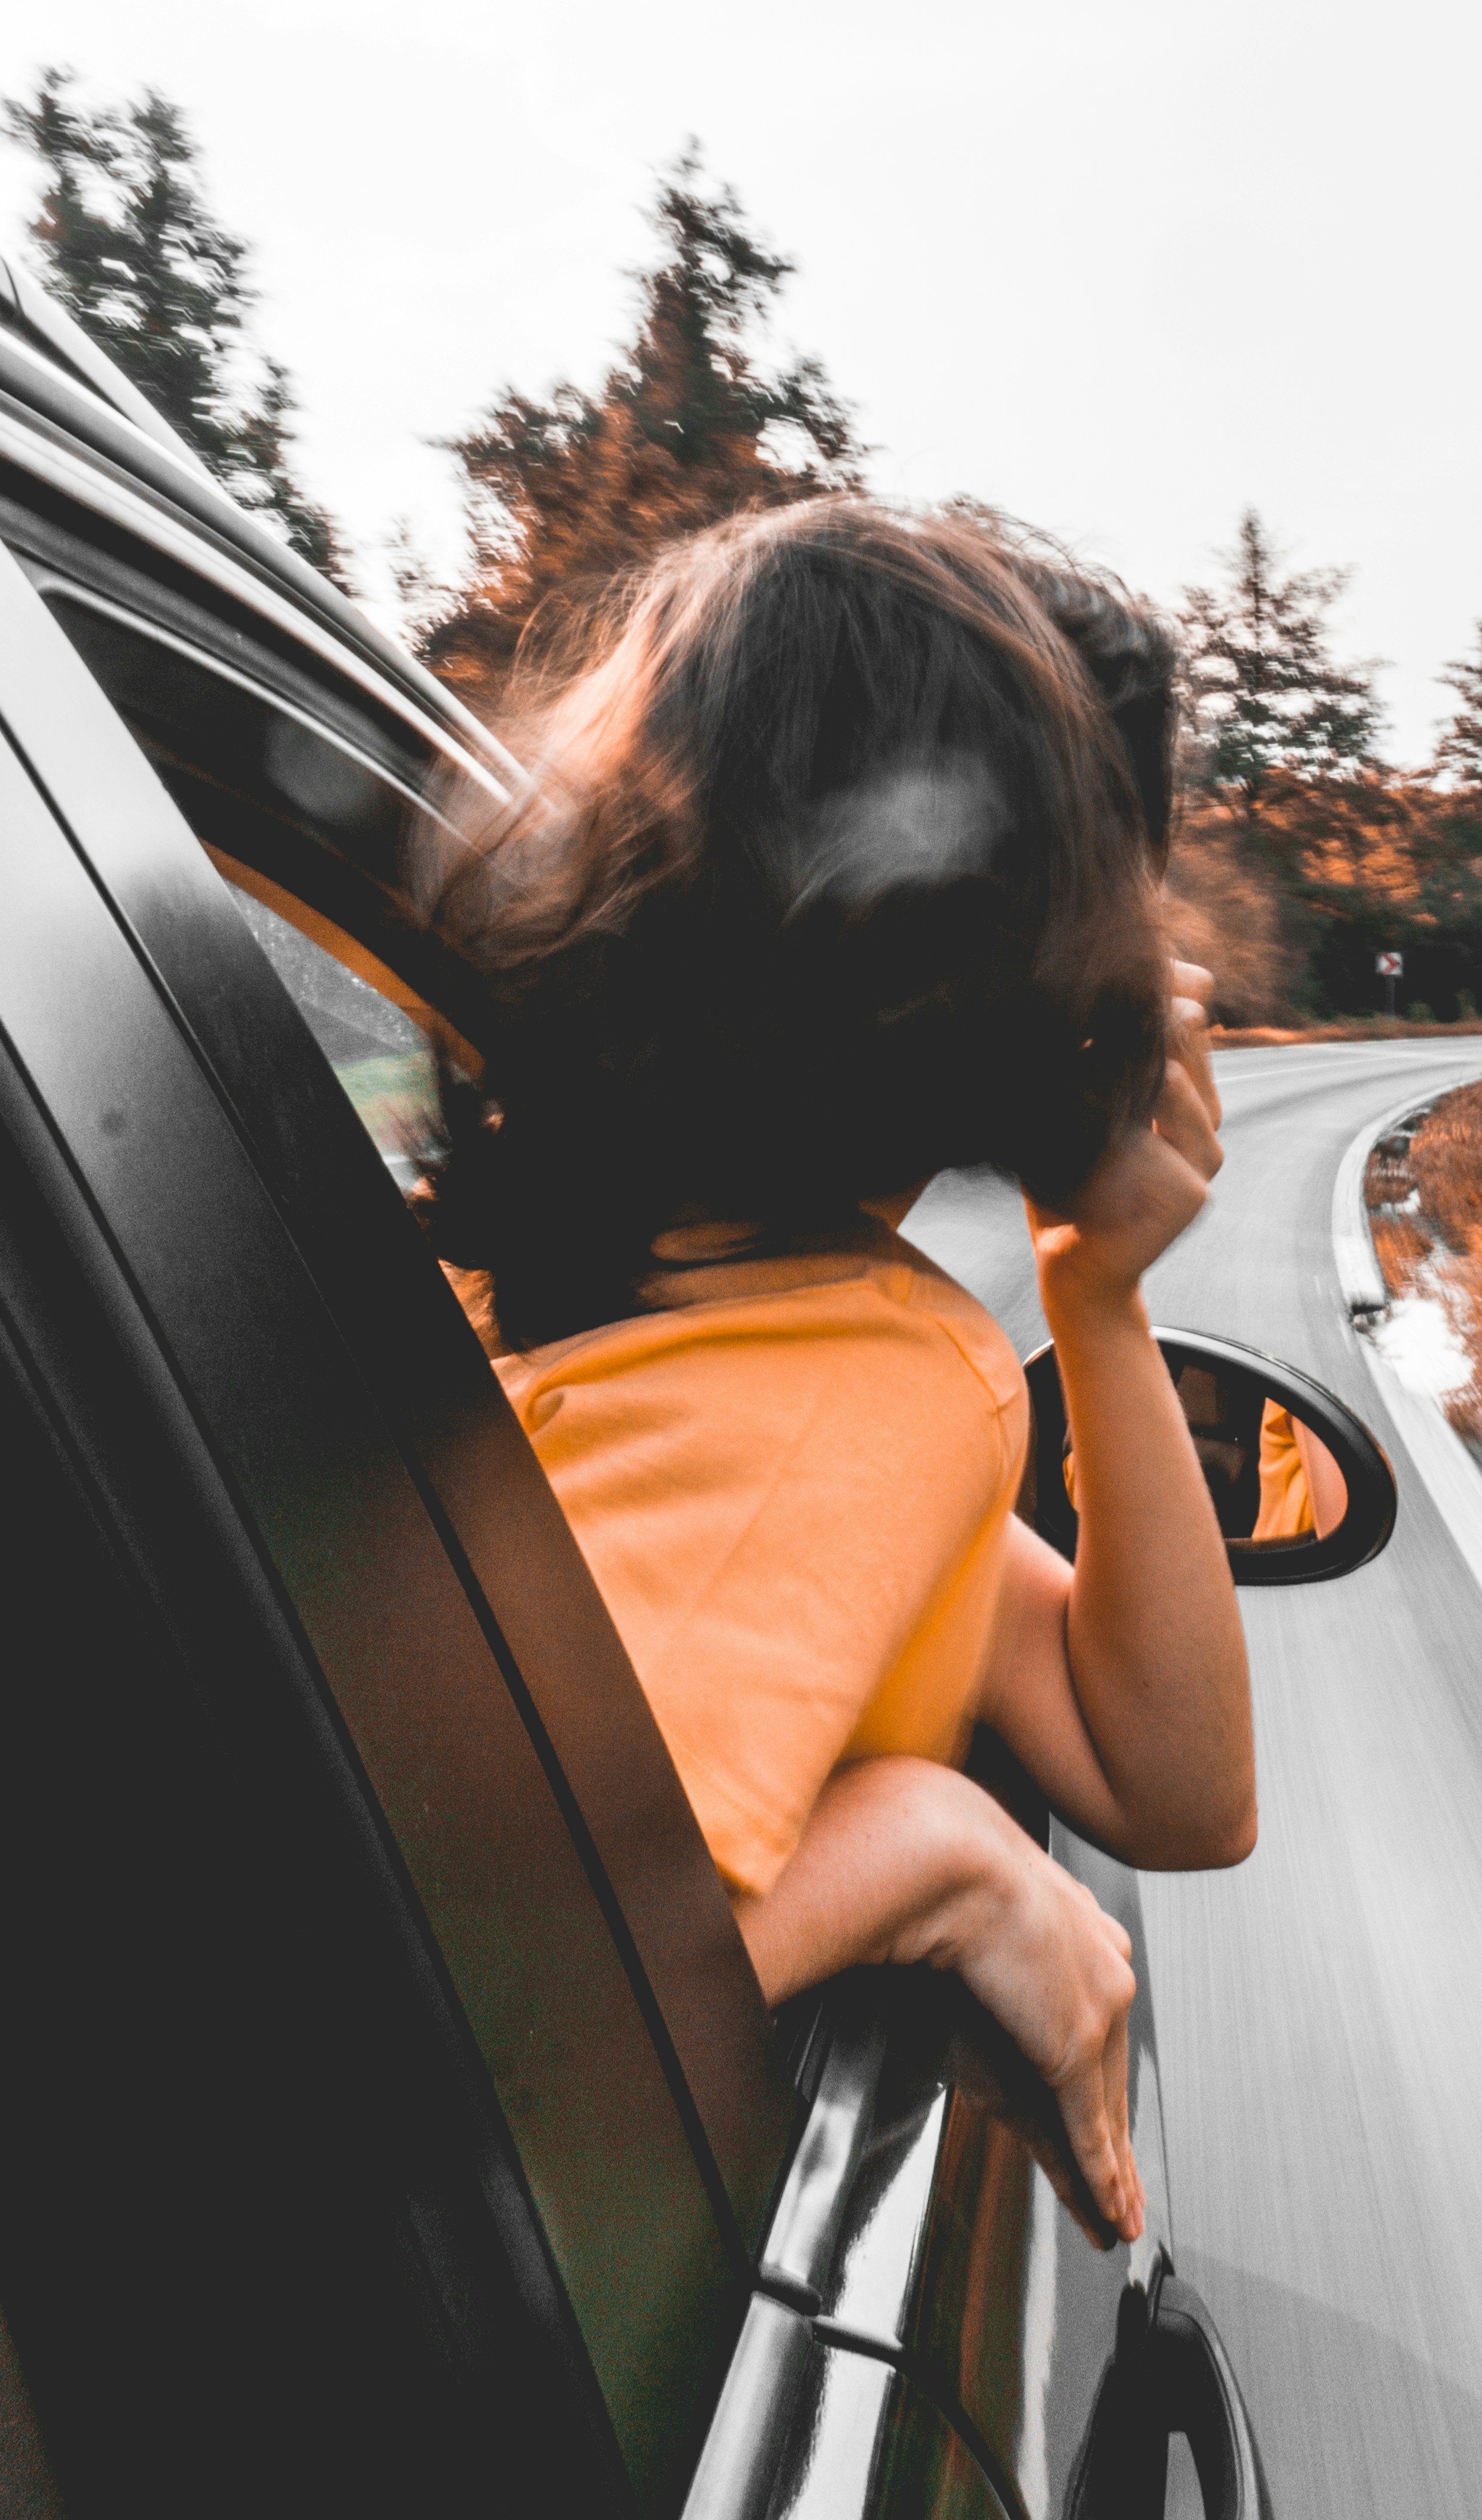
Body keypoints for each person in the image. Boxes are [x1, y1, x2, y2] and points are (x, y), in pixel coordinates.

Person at [421, 502, 1254, 2240]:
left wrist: (1091, 1310)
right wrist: (929, 1858)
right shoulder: (851, 1393)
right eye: (1118, 899)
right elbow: (487, 2050)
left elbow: (1171, 1784)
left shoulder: (597, 1268)